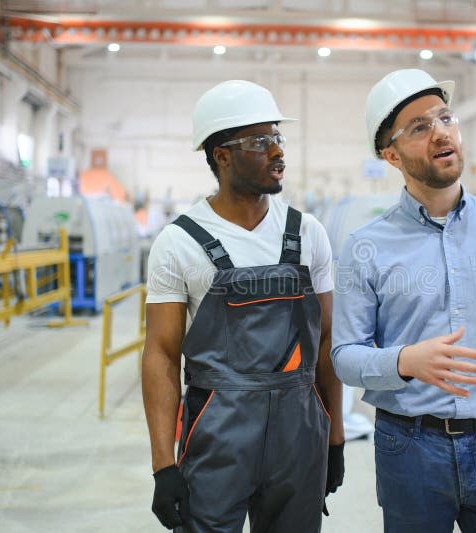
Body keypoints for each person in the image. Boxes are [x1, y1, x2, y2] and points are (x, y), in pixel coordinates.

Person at [331, 69, 476, 533]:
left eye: (446, 118)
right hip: (410, 447)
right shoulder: (365, 247)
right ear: (391, 155)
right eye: (420, 126)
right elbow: (344, 355)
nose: (441, 132)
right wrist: (405, 361)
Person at [142, 79, 344, 533]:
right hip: (218, 435)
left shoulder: (307, 233)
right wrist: (162, 465)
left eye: (278, 137)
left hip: (299, 434)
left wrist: (335, 437)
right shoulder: (179, 243)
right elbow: (161, 353)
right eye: (259, 141)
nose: (277, 151)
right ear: (222, 155)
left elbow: (327, 340)